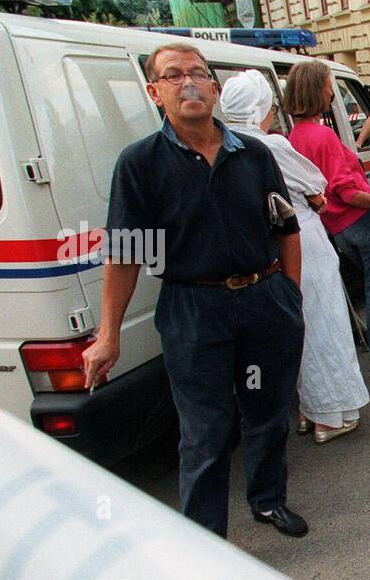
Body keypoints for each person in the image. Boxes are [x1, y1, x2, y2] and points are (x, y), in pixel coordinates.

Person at [80, 42, 308, 538]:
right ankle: (205, 540)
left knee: (268, 413)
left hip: (264, 301)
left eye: (197, 73)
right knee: (205, 431)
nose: (188, 82)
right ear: (155, 92)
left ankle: (268, 501)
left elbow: (286, 227)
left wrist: (291, 296)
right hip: (192, 308)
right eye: (173, 75)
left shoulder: (253, 154)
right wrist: (108, 334)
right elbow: (124, 254)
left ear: (215, 88)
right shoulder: (139, 163)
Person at [220, 70, 369, 443]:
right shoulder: (269, 145)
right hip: (304, 239)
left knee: (293, 329)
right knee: (325, 325)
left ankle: (307, 410)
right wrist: (314, 198)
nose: (273, 111)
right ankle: (331, 416)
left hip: (267, 248)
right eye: (269, 105)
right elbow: (315, 184)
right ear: (257, 109)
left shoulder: (223, 145)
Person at [285, 61, 370, 383]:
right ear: (317, 90)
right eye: (329, 86)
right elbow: (347, 191)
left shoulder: (292, 138)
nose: (331, 91)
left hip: (336, 228)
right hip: (364, 222)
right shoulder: (323, 136)